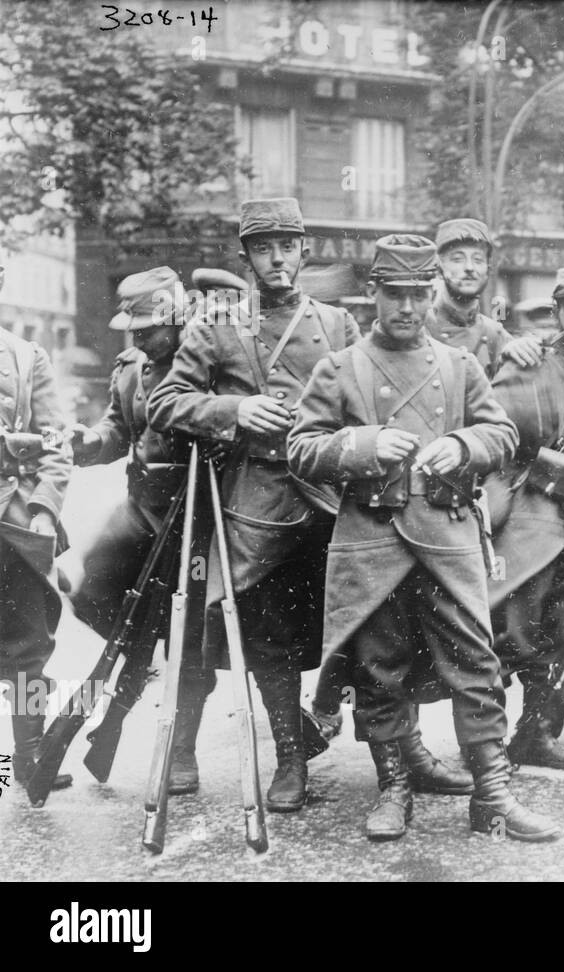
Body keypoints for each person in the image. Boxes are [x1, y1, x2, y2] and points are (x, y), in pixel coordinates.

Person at [287, 234, 557, 842]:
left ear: (431, 294)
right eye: (395, 295)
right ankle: (394, 790)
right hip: (373, 540)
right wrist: (360, 445)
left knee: (476, 666)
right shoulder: (340, 367)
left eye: (418, 295)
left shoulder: (459, 366)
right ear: (373, 296)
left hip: (447, 535)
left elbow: (502, 435)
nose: (407, 308)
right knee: (378, 669)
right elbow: (300, 449)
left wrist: (462, 445)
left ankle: (492, 793)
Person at [148, 197, 359, 812]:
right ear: (245, 258)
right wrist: (232, 411)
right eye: (263, 248)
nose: (276, 259)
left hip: (329, 495)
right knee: (269, 633)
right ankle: (290, 760)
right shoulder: (218, 322)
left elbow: (364, 402)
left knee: (366, 616)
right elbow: (166, 402)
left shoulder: (339, 324)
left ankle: (383, 754)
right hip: (254, 505)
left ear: (304, 251)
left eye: (286, 245)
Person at [66, 267, 208, 794]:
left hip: (195, 515)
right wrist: (88, 442)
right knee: (92, 589)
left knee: (190, 637)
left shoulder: (204, 362)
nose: (137, 337)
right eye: (133, 329)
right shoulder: (131, 366)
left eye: (147, 328)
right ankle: (140, 659)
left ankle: (183, 752)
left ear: (176, 320)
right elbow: (117, 429)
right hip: (141, 505)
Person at [485, 267, 564, 770]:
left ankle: (533, 732)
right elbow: (491, 435)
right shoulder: (527, 362)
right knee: (509, 628)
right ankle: (487, 745)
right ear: (556, 311)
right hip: (528, 515)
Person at [0, 261, 72, 790]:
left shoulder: (26, 356)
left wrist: (44, 507)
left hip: (12, 517)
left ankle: (29, 759)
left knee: (29, 642)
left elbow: (56, 441)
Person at [427, 218, 510, 377]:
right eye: (458, 259)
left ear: (488, 269)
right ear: (439, 268)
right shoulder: (421, 329)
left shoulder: (497, 336)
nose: (470, 268)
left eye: (478, 260)